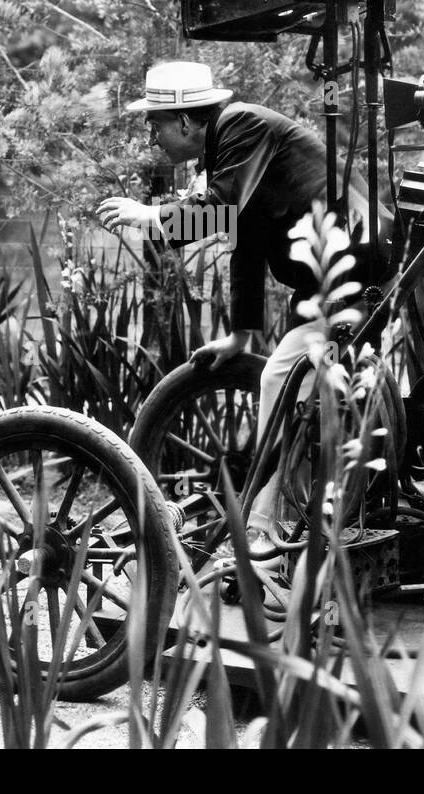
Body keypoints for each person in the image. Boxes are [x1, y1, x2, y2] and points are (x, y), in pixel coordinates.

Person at [97, 61, 393, 545]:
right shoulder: (233, 147)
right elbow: (247, 241)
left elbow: (219, 210)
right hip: (337, 279)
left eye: (155, 125)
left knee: (283, 376)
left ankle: (268, 532)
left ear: (186, 122)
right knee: (299, 387)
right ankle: (289, 522)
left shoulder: (240, 124)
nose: (153, 138)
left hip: (361, 271)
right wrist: (240, 337)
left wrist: (149, 215)